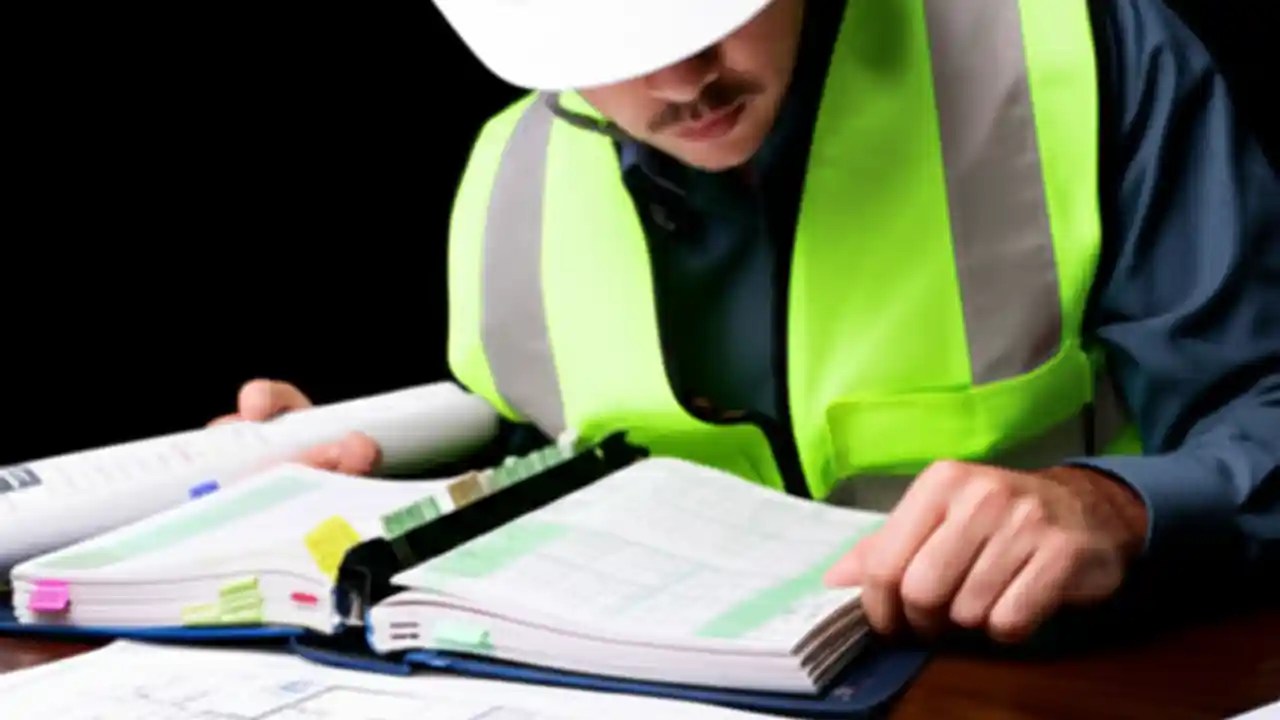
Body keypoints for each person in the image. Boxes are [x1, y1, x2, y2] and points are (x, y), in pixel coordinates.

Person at [214, 0, 1279, 646]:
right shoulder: (510, 168)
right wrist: (368, 483)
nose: (683, 78)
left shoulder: (1074, 51)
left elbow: (1261, 404)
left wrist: (1114, 507)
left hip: (1060, 679)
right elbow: (531, 455)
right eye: (607, 29)